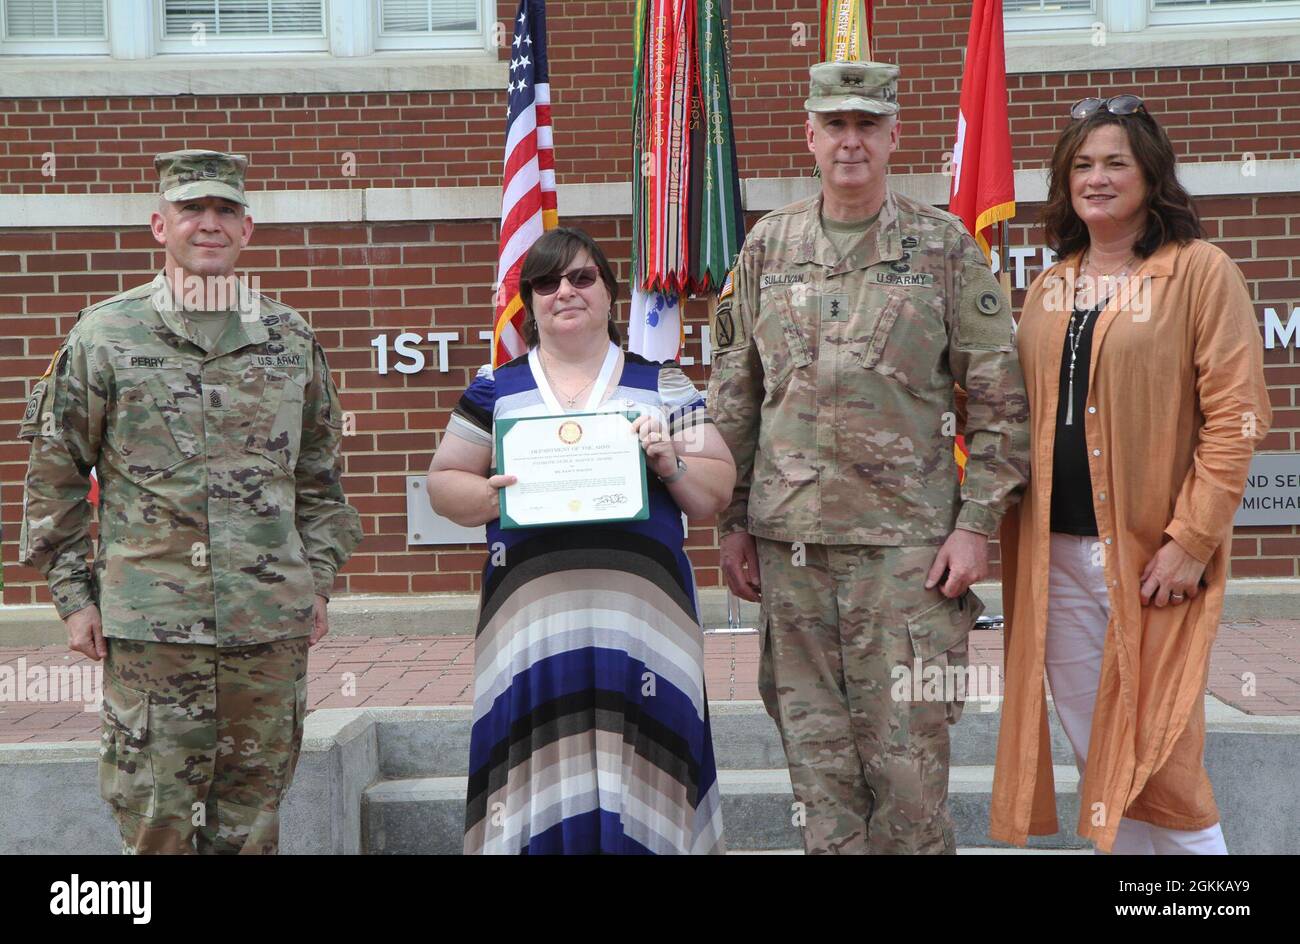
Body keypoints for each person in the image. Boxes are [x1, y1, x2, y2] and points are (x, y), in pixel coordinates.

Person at [708, 61, 1031, 855]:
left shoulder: (943, 247)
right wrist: (733, 523)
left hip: (908, 564)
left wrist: (976, 525)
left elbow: (997, 403)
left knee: (911, 783)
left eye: (867, 125)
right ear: (810, 136)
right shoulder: (767, 246)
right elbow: (735, 400)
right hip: (794, 558)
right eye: (835, 125)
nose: (850, 141)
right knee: (818, 781)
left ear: (893, 136)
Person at [18, 150, 363, 854]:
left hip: (266, 630)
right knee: (158, 819)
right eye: (192, 210)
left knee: (252, 823)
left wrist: (316, 581)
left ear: (247, 230)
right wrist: (74, 598)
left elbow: (322, 482)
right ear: (159, 225)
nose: (209, 224)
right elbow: (54, 479)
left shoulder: (289, 338)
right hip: (152, 628)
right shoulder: (105, 337)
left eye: (225, 211)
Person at [988, 96, 1271, 854]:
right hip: (1054, 558)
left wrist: (1192, 539)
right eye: (1081, 164)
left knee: (1164, 761)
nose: (1097, 178)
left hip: (1151, 560)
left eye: (1115, 162)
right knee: (1101, 754)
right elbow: (1013, 407)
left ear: (1150, 173)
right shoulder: (1052, 286)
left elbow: (1238, 417)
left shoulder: (1200, 273)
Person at [428, 227, 735, 854]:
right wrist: (498, 494)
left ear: (609, 293)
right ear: (530, 302)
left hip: (644, 622)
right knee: (535, 767)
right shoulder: (496, 389)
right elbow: (442, 484)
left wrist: (670, 461)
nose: (565, 291)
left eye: (581, 278)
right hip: (531, 626)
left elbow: (716, 492)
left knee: (651, 763)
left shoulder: (663, 383)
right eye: (547, 282)